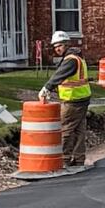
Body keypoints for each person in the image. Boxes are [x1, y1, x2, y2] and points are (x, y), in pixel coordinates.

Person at [40, 30, 94, 168]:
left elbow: (59, 75)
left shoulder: (70, 60)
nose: (57, 49)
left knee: (66, 129)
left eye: (59, 45)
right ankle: (79, 159)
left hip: (73, 100)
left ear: (66, 44)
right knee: (79, 129)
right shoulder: (77, 57)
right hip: (82, 98)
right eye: (55, 46)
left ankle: (63, 159)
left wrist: (47, 88)